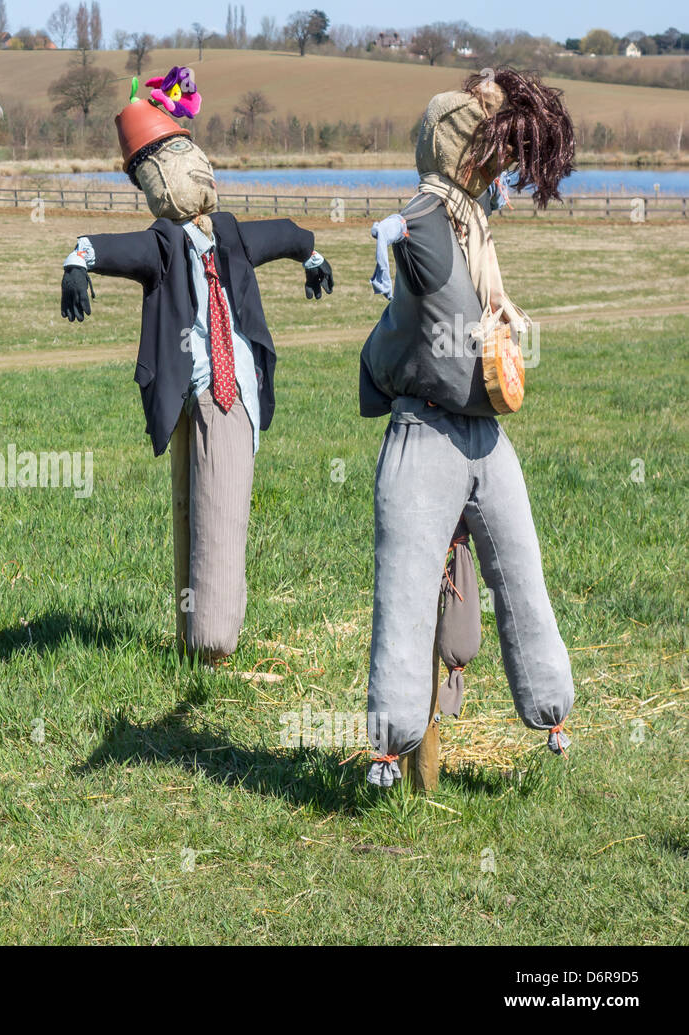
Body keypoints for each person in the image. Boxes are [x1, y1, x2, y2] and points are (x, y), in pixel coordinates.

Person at [58, 78, 333, 663]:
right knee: (191, 510)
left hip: (233, 395)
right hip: (188, 394)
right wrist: (77, 262)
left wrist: (312, 255)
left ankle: (214, 644)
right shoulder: (162, 243)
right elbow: (108, 246)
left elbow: (283, 234)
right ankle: (194, 639)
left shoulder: (229, 232)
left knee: (222, 508)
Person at [358, 70, 576, 787]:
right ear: (464, 151)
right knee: (408, 588)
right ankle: (393, 743)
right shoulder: (430, 215)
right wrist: (385, 244)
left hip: (485, 434)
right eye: (495, 151)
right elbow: (404, 223)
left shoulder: (473, 219)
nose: (504, 165)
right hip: (425, 435)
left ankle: (551, 706)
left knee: (522, 569)